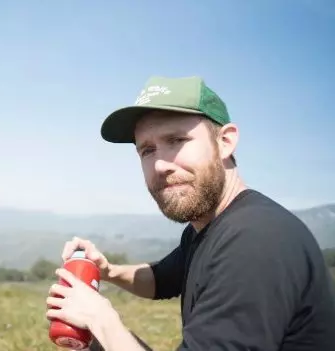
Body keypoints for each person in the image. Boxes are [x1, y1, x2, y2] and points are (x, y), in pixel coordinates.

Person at [46, 76, 335, 351]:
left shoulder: (256, 242)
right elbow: (160, 279)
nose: (160, 165)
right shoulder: (207, 228)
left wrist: (101, 320)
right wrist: (107, 271)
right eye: (147, 150)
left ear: (225, 141)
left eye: (177, 140)